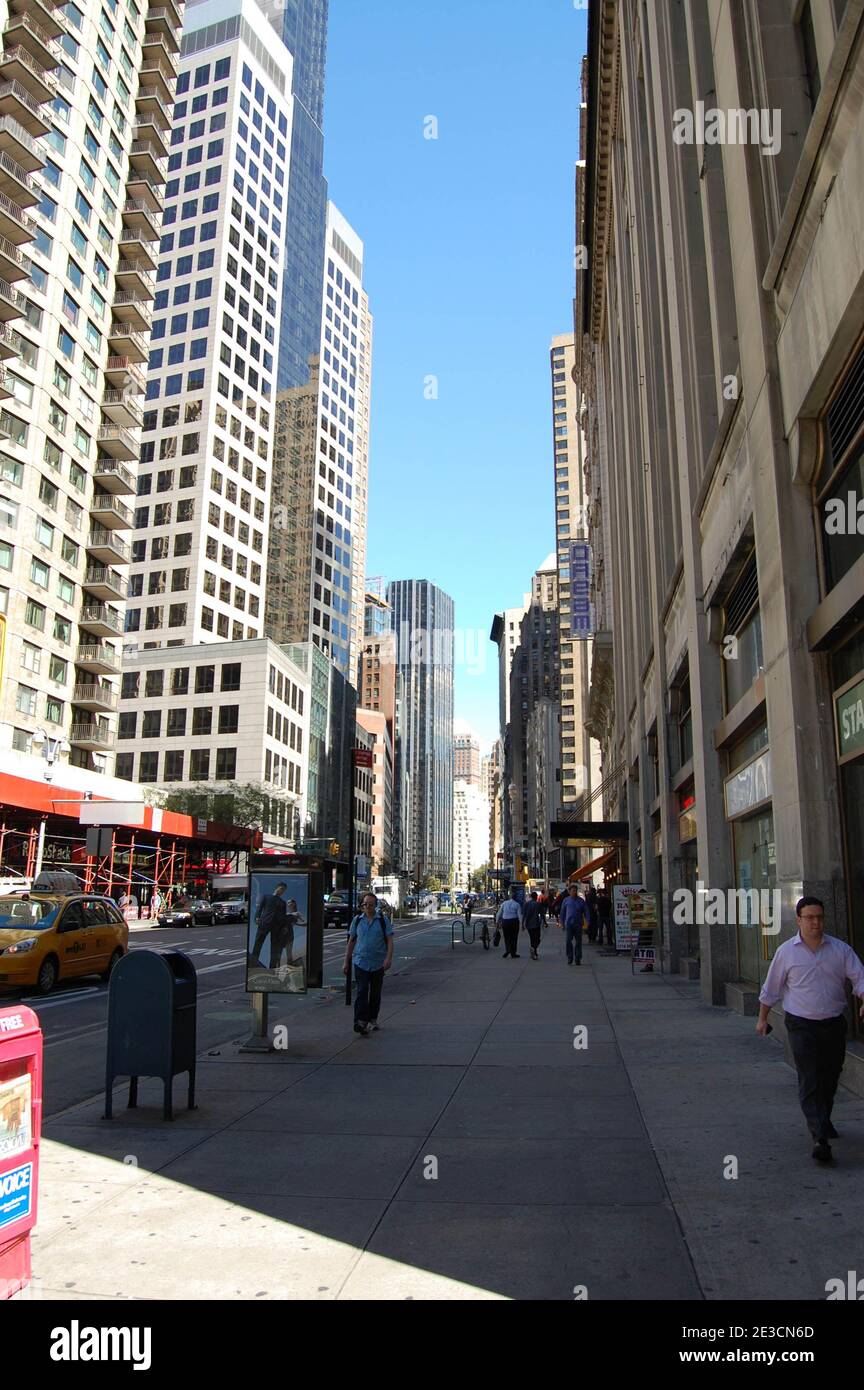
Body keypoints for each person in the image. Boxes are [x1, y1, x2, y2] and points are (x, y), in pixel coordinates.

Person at [757, 896, 864, 1164]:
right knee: (810, 1077)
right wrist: (762, 1018)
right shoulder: (786, 952)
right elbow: (770, 989)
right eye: (810, 918)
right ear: (799, 920)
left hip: (833, 1023)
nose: (816, 922)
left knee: (830, 1076)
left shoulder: (840, 950)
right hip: (801, 1024)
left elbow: (860, 978)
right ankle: (819, 1137)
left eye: (819, 917)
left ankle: (823, 1119)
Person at [344, 891, 394, 1036]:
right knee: (361, 991)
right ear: (362, 905)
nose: (368, 907)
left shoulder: (383, 921)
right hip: (360, 961)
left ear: (375, 905)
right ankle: (360, 1021)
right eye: (365, 904)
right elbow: (351, 941)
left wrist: (388, 958)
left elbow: (390, 941)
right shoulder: (357, 920)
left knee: (375, 993)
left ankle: (372, 1018)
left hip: (378, 962)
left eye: (371, 904)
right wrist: (346, 961)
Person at [249, 882, 288, 969]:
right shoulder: (266, 897)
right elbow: (259, 909)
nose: (282, 891)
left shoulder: (283, 903)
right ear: (277, 888)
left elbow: (284, 916)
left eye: (284, 890)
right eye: (281, 889)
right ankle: (253, 963)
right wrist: (256, 918)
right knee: (258, 944)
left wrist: (284, 927)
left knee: (274, 948)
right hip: (264, 924)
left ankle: (272, 967)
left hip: (277, 927)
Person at [559, 883, 588, 965]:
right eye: (573, 891)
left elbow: (586, 911)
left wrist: (588, 921)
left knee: (578, 941)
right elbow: (562, 912)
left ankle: (578, 958)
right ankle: (570, 957)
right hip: (569, 924)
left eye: (575, 891)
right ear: (569, 892)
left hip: (578, 924)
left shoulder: (581, 901)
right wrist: (561, 922)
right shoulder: (566, 900)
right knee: (568, 941)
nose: (574, 892)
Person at [496, 888, 523, 958]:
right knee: (514, 937)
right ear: (516, 898)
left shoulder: (504, 903)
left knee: (507, 937)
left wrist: (497, 922)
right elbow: (519, 915)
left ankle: (508, 950)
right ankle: (513, 953)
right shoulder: (517, 904)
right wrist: (522, 924)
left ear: (510, 897)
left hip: (505, 922)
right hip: (514, 922)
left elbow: (499, 913)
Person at [523, 891, 543, 960]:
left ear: (531, 897)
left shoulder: (526, 904)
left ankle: (534, 950)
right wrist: (544, 922)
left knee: (532, 938)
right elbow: (542, 914)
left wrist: (523, 924)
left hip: (529, 924)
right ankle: (534, 950)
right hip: (536, 924)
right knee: (537, 938)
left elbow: (524, 915)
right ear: (536, 897)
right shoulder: (538, 904)